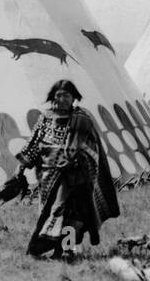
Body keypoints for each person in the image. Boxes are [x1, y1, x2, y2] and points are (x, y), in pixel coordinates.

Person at [15, 79, 119, 259]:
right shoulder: (45, 118)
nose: (62, 99)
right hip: (48, 177)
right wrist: (21, 167)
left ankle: (68, 249)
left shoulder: (81, 119)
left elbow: (85, 146)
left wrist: (73, 160)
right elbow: (33, 144)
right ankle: (56, 248)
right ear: (52, 97)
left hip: (76, 176)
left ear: (74, 98)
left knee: (72, 216)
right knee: (51, 213)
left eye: (67, 95)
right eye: (59, 95)